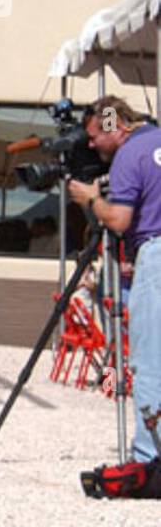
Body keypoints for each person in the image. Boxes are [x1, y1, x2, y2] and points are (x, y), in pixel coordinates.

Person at [69, 96, 161, 464]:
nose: (91, 145)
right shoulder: (156, 140)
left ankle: (147, 458)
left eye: (94, 136)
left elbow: (119, 220)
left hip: (154, 254)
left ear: (114, 126)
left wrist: (91, 200)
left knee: (150, 360)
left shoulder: (128, 156)